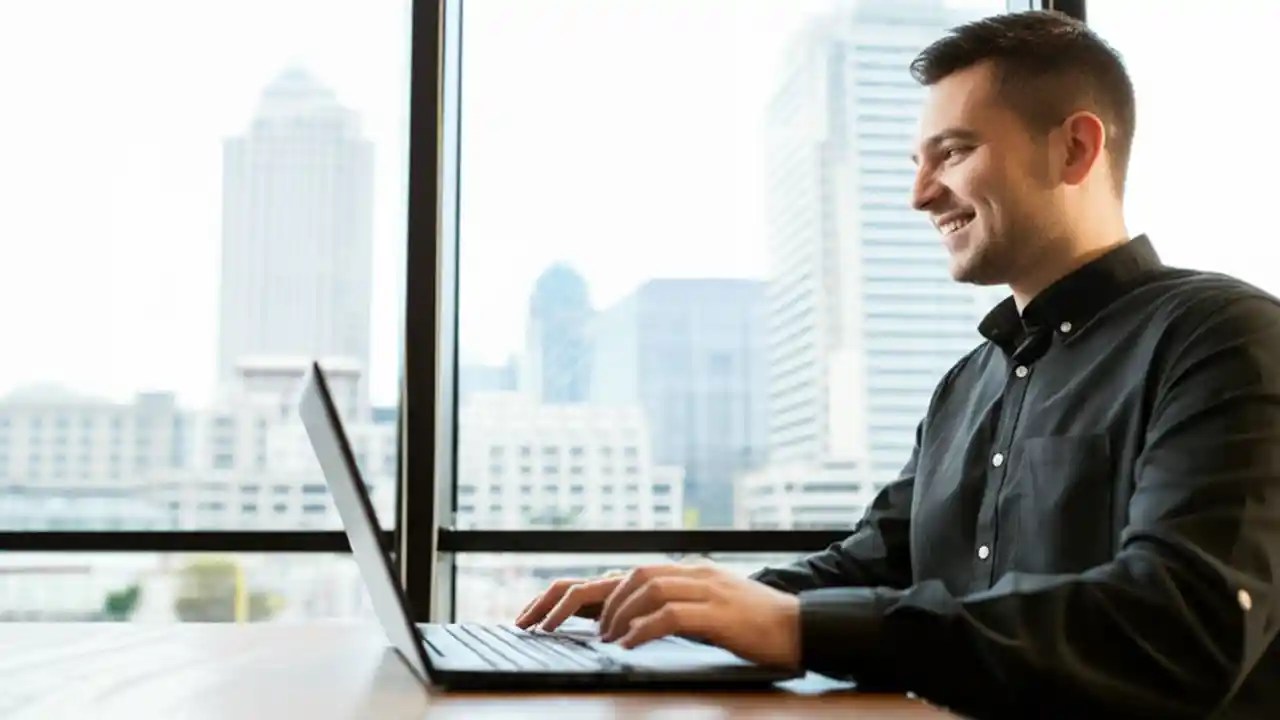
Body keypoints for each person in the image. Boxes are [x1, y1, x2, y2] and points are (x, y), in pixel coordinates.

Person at [514, 10, 1280, 718]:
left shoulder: (1222, 337)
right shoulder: (966, 385)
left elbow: (1185, 621)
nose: (920, 194)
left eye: (953, 152)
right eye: (917, 160)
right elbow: (874, 566)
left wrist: (801, 627)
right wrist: (691, 602)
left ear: (1075, 147)